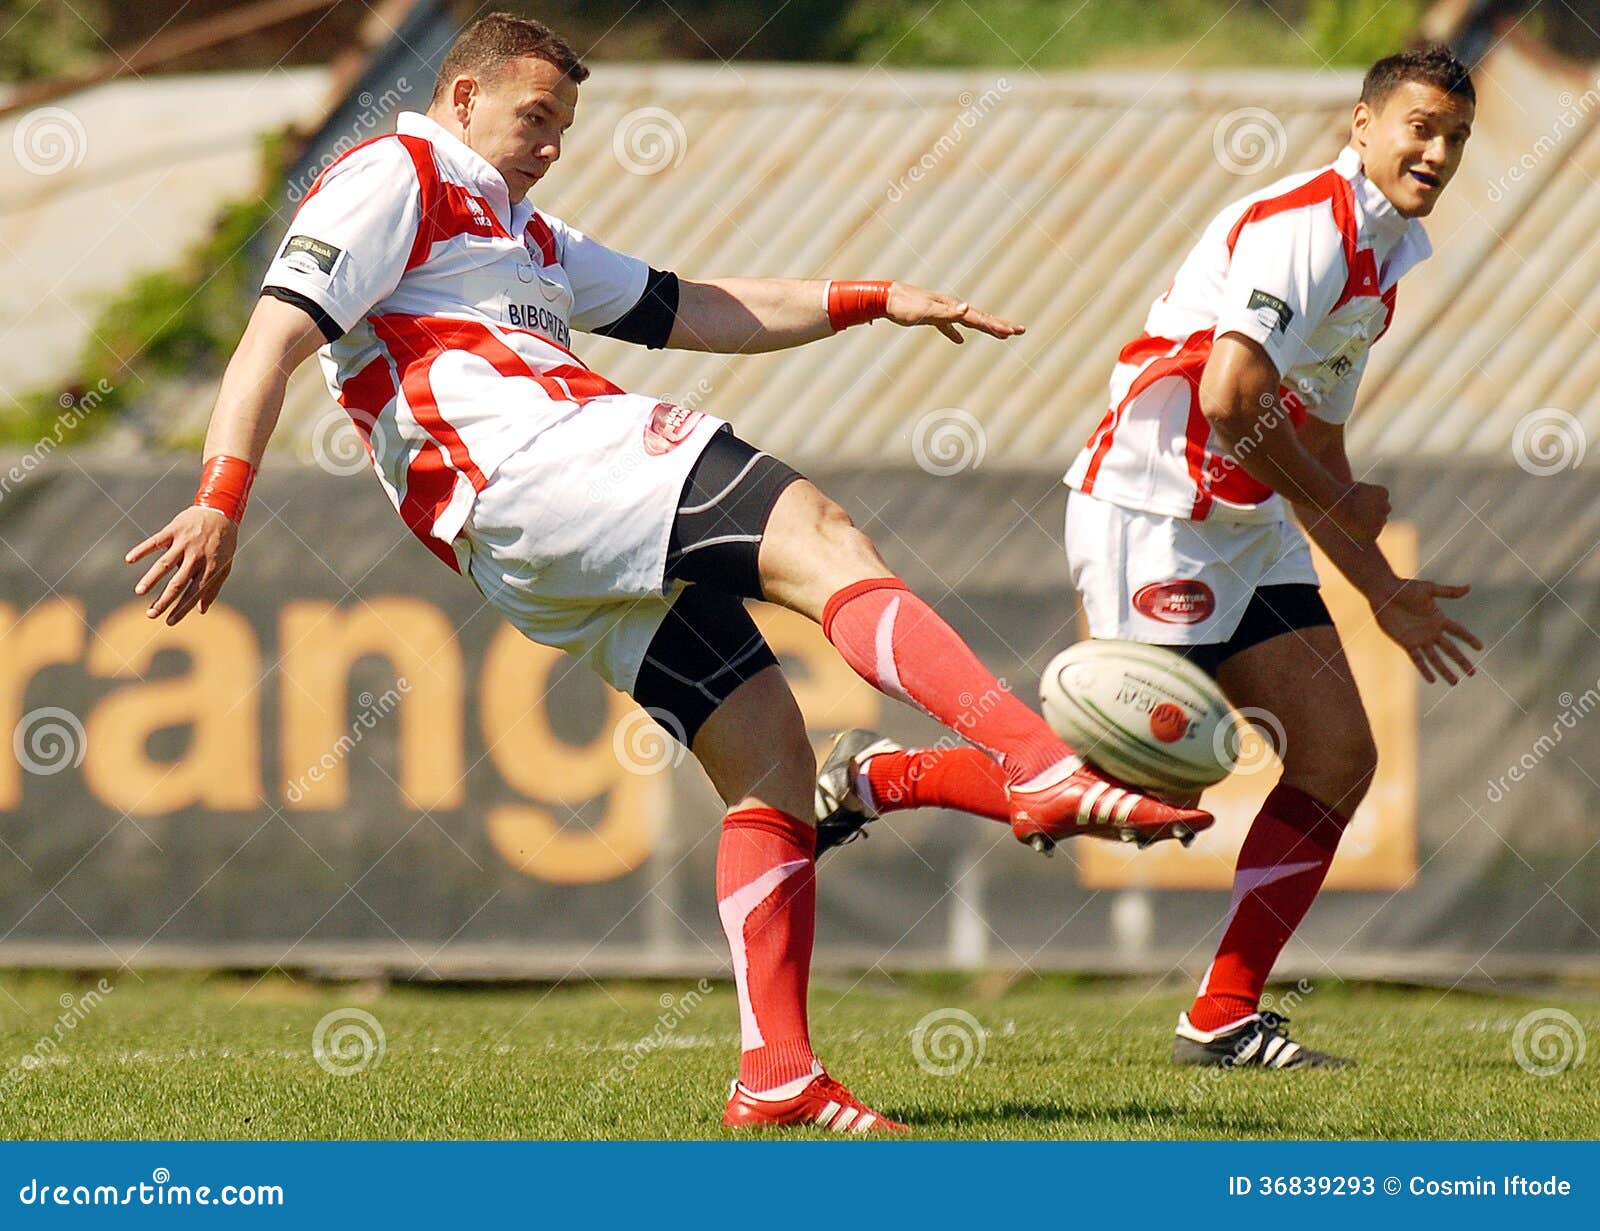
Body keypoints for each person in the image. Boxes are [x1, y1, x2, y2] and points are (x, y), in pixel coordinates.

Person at [125, 12, 1209, 1130]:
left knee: (772, 761)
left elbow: (685, 305)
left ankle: (775, 1072)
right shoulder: (396, 171)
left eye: (564, 126)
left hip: (518, 533)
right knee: (820, 535)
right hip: (533, 462)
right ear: (460, 101)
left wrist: (867, 298)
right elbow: (272, 332)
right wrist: (220, 495)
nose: (550, 144)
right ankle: (1033, 760)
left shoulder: (527, 237)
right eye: (533, 117)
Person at [814, 47, 1484, 1070]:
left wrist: (1367, 557)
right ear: (1361, 125)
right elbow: (1226, 398)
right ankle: (872, 780)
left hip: (1244, 517)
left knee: (1340, 755)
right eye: (1418, 127)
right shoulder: (1306, 228)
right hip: (1154, 506)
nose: (1435, 152)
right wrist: (1356, 545)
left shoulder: (1387, 258)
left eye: (1454, 139)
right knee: (1129, 796)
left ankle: (1222, 1015)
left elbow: (1320, 442)